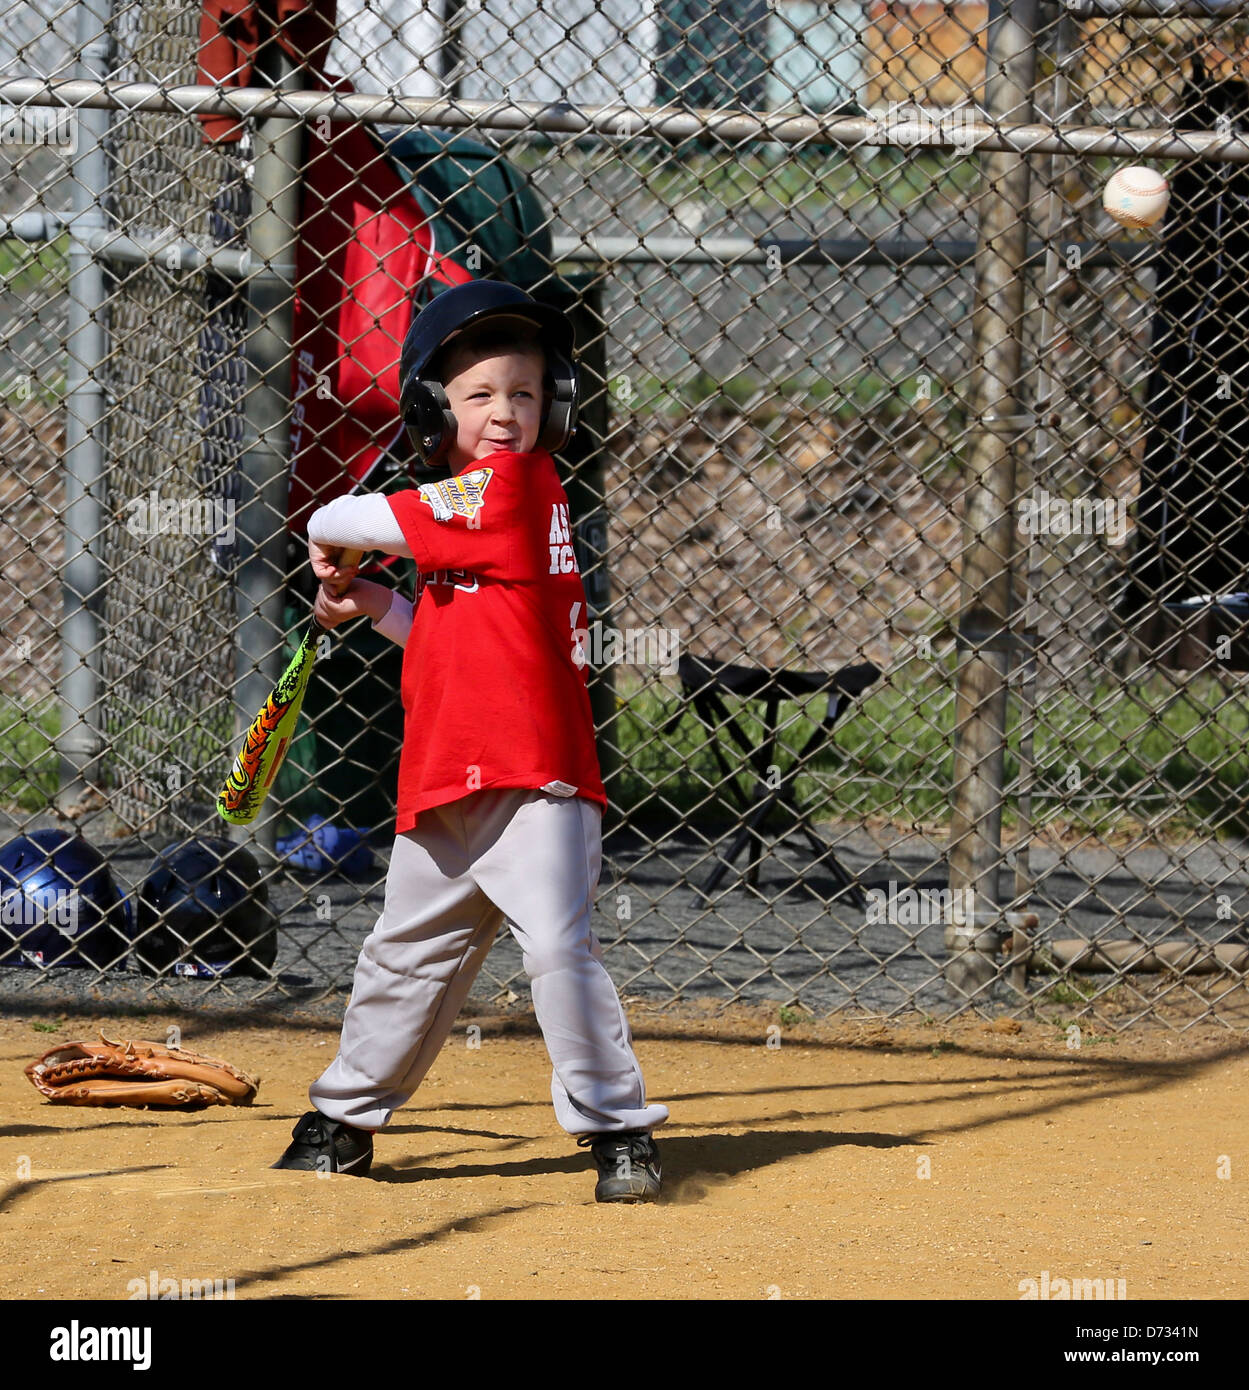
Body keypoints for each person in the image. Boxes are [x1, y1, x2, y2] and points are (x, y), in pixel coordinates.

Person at [272, 280, 668, 1201]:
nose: (505, 413)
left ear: (554, 408)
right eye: (479, 395)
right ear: (431, 408)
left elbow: (344, 518)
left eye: (524, 394)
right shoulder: (469, 529)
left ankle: (619, 1135)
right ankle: (341, 1122)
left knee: (557, 952)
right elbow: (448, 641)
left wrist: (331, 541)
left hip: (535, 782)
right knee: (402, 954)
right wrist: (372, 599)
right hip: (447, 775)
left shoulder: (517, 487)